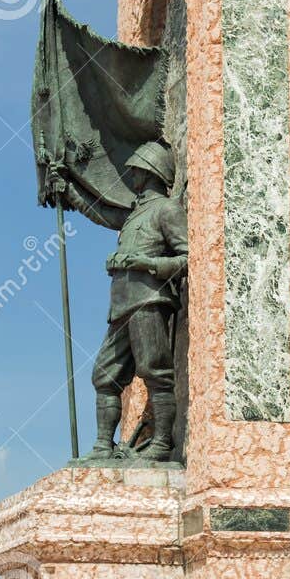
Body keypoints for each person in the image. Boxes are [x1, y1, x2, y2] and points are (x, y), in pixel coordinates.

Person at [91, 141, 187, 462]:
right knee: (104, 374)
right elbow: (99, 209)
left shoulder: (167, 209)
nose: (131, 175)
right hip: (121, 304)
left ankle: (161, 444)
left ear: (148, 173)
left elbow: (187, 258)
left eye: (135, 171)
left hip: (148, 300)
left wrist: (146, 264)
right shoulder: (135, 214)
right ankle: (103, 445)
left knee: (155, 371)